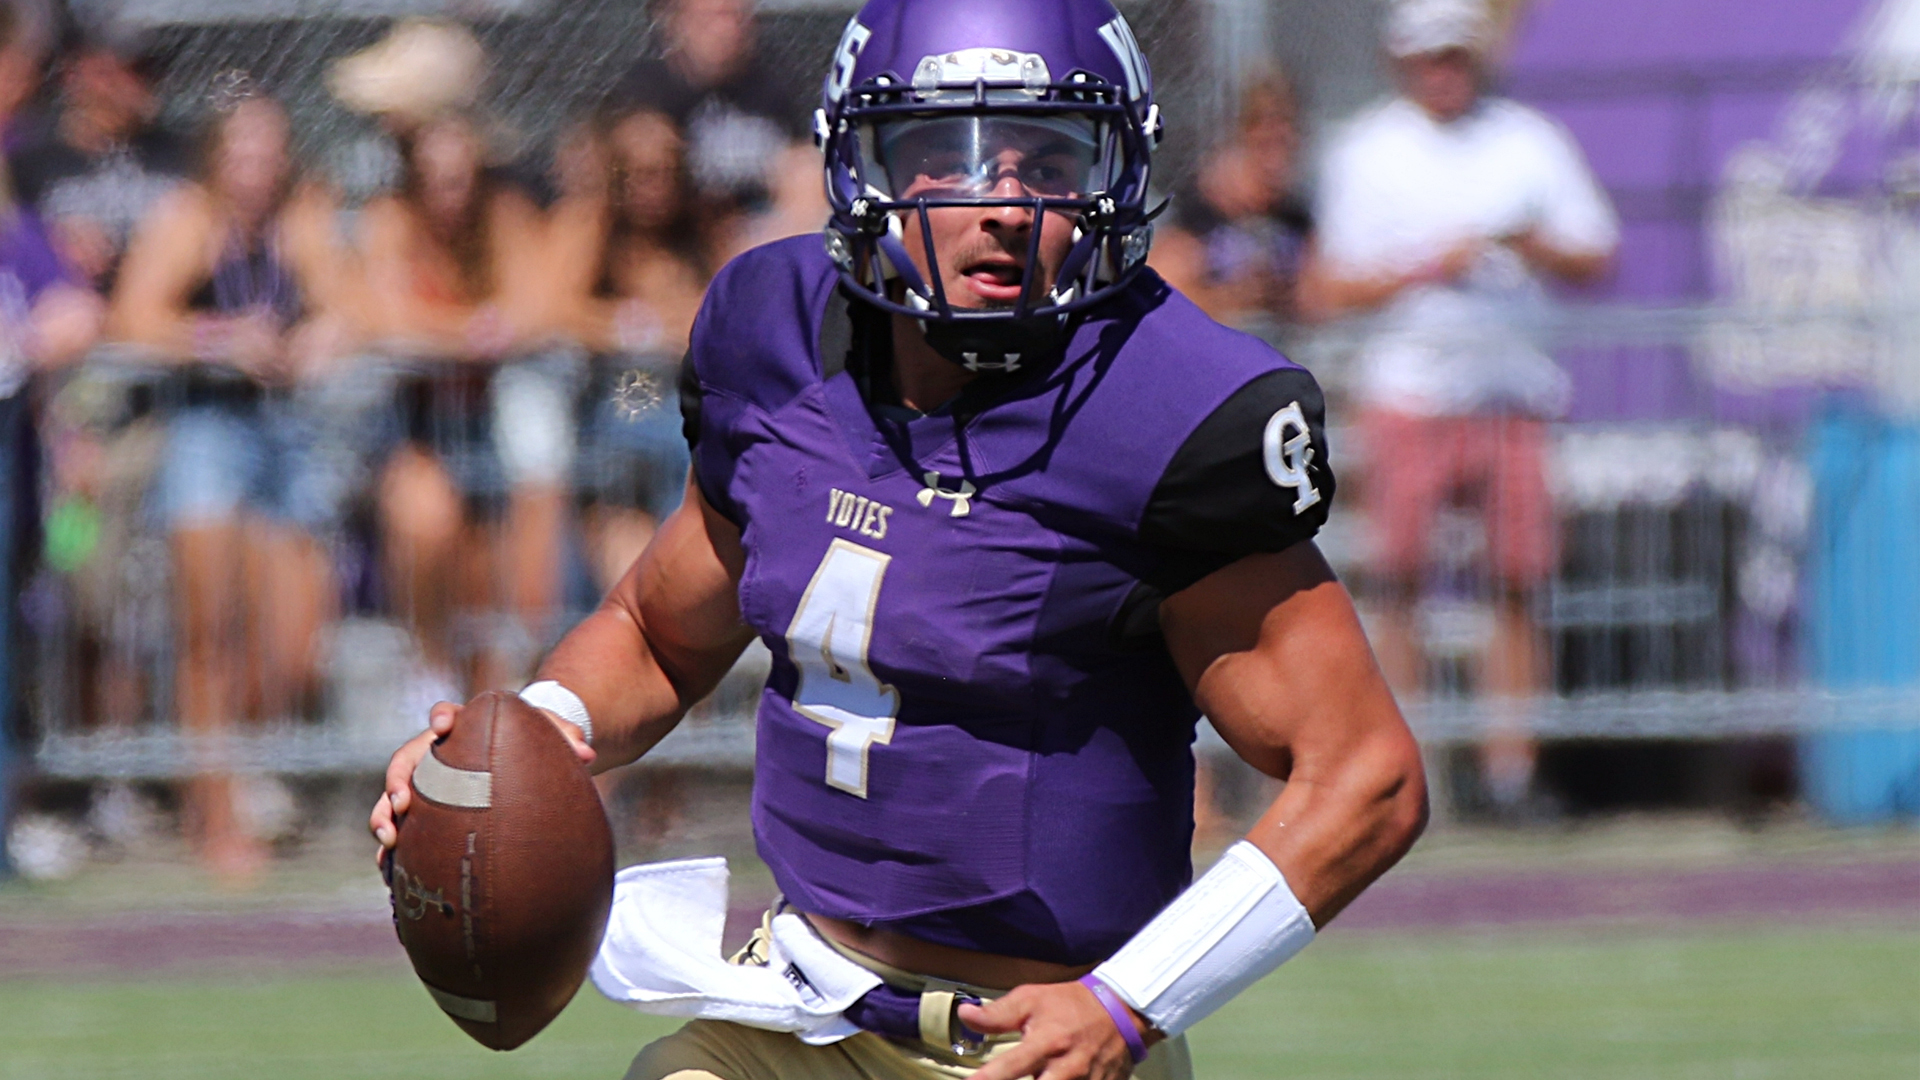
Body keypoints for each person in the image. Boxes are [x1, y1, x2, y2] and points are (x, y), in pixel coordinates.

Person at [375, 3, 1426, 1080]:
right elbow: (654, 631)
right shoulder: (773, 335)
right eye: (943, 156)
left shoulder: (1166, 410)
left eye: (1052, 156)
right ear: (856, 166)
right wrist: (529, 740)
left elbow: (1365, 777)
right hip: (791, 1010)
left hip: (1036, 1044)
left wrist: (1130, 1004)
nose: (1005, 203)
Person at [1296, 0, 1617, 814]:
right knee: (1399, 582)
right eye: (1431, 57)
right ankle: (1407, 767)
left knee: (1516, 583)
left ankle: (1512, 772)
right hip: (1411, 393)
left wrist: (1521, 243)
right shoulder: (1368, 149)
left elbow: (1595, 251)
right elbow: (1330, 286)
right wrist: (1429, 267)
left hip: (1514, 391)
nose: (1446, 72)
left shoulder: (1527, 138)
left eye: (1457, 56)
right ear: (1403, 61)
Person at [109, 91, 350, 877]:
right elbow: (135, 317)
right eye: (242, 153)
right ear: (217, 156)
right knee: (208, 632)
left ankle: (247, 776)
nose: (256, 168)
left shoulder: (301, 217)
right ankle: (212, 812)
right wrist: (219, 338)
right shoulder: (189, 218)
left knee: (294, 633)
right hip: (205, 430)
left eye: (268, 151)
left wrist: (319, 335)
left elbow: (355, 304)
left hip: (285, 436)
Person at [354, 109, 573, 699]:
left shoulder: (504, 216)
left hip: (488, 417)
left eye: (462, 177)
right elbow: (381, 317)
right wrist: (469, 332)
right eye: (436, 178)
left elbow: (541, 307)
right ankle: (426, 672)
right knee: (425, 521)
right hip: (414, 418)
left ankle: (517, 687)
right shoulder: (390, 220)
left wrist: (475, 332)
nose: (451, 194)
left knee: (507, 544)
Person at [546, 108, 708, 590]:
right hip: (618, 403)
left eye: (664, 171)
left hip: (686, 408)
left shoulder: (700, 232)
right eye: (635, 172)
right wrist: (630, 327)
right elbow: (554, 311)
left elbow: (715, 309)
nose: (651, 185)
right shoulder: (590, 228)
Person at [7, 18, 189, 290]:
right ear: (73, 75)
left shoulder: (184, 156)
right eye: (116, 72)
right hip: (66, 314)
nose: (133, 85)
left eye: (145, 72)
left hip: (158, 314)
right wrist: (50, 240)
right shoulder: (28, 159)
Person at [609, 0, 809, 231]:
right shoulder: (647, 93)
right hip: (684, 233)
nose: (728, 30)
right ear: (677, 24)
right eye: (714, 18)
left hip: (762, 226)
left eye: (738, 17)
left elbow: (799, 163)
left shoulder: (771, 87)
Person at [1151, 71, 1313, 326]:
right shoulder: (1202, 213)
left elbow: (1315, 296)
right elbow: (1161, 298)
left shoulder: (1293, 216)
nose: (1280, 137)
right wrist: (1231, 300)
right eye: (1265, 132)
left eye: (1287, 128)